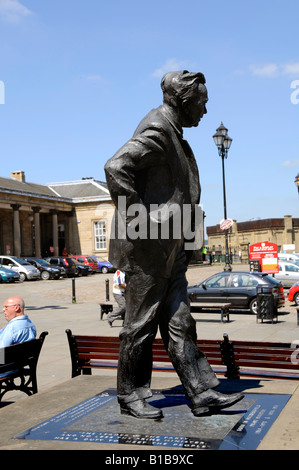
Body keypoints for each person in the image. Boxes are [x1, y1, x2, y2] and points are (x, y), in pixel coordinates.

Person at [104, 70, 243, 419]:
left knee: (181, 322)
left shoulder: (174, 132)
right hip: (149, 252)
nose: (205, 110)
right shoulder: (158, 130)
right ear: (184, 100)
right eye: (202, 102)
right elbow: (115, 167)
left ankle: (200, 392)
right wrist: (142, 222)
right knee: (139, 326)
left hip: (171, 250)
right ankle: (130, 394)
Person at [0, 296, 36, 377]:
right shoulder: (30, 323)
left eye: (6, 307)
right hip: (18, 365)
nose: (3, 310)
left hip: (5, 369)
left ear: (16, 307)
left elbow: (1, 352)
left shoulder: (12, 327)